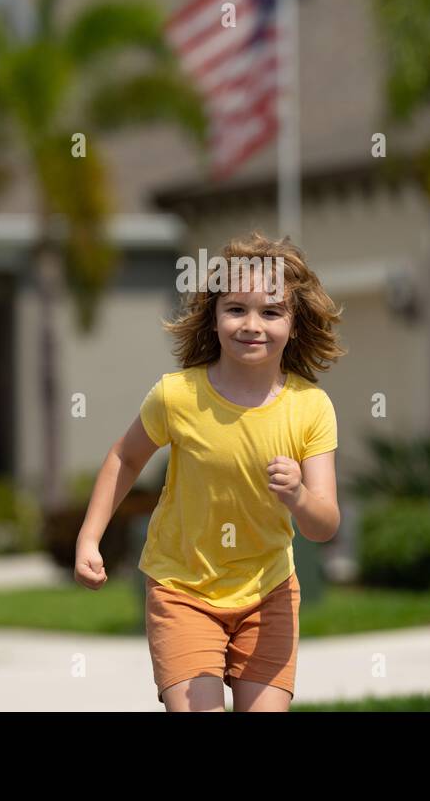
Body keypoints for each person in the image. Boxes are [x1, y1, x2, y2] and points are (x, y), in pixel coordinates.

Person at [75, 230, 345, 711]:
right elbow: (125, 457)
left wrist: (299, 496)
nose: (252, 324)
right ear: (214, 317)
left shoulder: (311, 408)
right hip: (183, 589)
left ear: (295, 323)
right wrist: (89, 538)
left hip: (269, 593)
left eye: (271, 311)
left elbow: (324, 524)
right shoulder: (177, 395)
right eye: (236, 309)